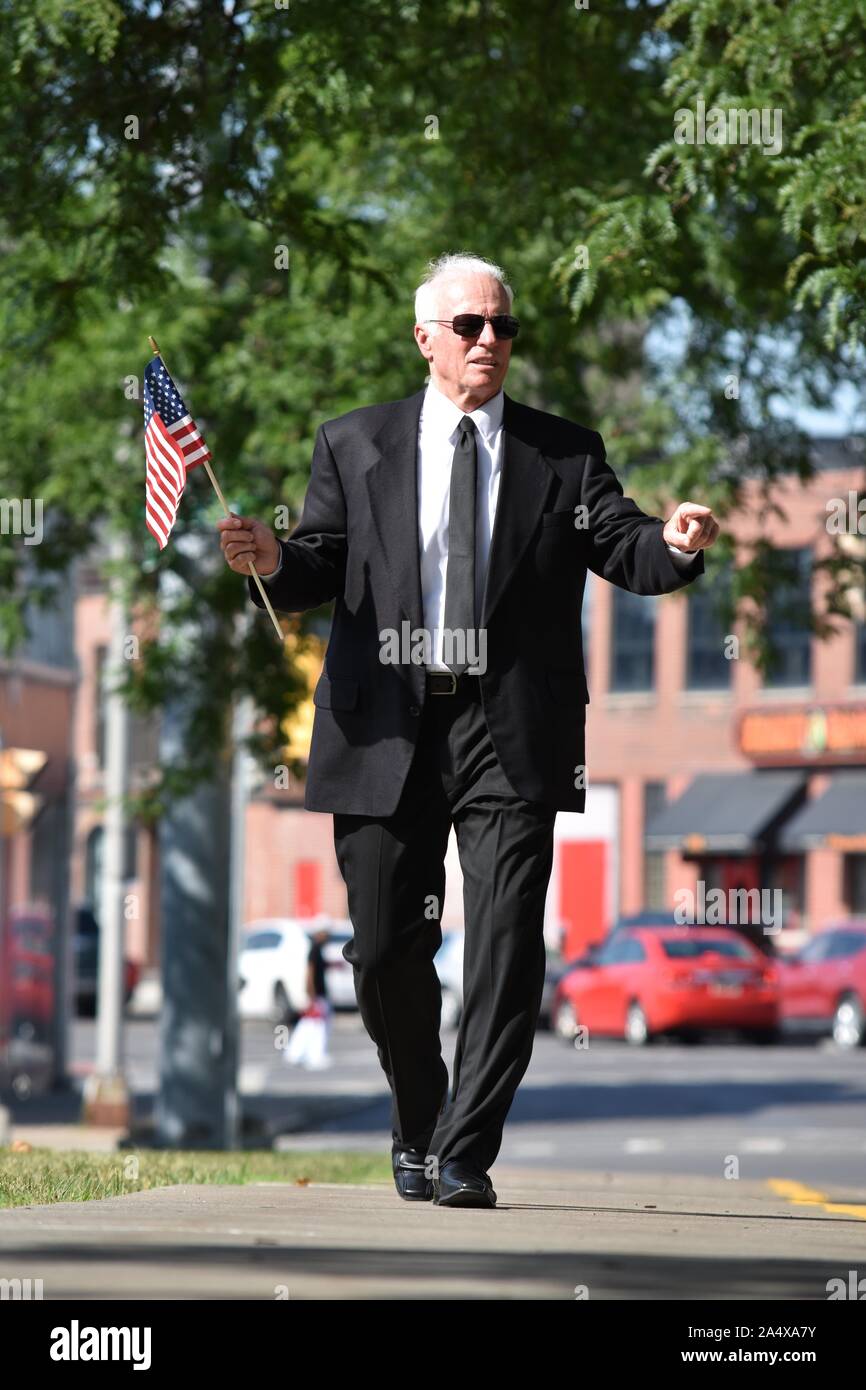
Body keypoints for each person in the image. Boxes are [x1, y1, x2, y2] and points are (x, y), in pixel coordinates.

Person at [218, 252, 720, 1208]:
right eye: (469, 325)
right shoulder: (354, 442)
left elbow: (623, 542)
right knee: (382, 952)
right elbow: (319, 561)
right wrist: (274, 559)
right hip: (385, 723)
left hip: (511, 725)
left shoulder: (562, 452)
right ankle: (420, 1117)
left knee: (505, 944)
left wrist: (674, 543)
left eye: (503, 326)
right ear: (426, 339)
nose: (490, 339)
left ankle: (464, 1152)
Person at [283, 924, 333, 1070]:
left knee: (311, 1024)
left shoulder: (317, 950)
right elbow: (310, 973)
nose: (328, 938)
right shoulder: (315, 950)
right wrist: (311, 995)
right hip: (316, 995)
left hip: (318, 995)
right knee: (317, 1025)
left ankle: (296, 1054)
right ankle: (314, 1056)